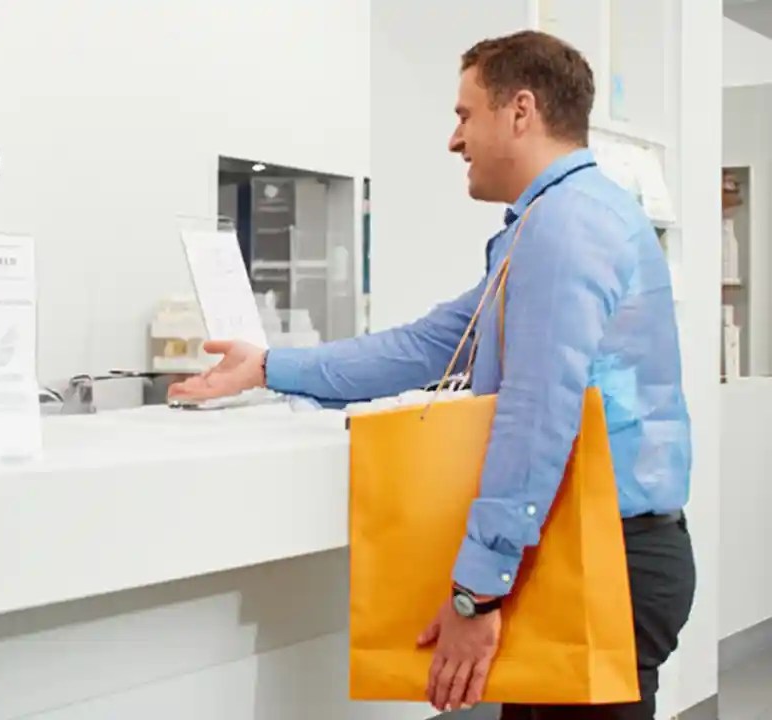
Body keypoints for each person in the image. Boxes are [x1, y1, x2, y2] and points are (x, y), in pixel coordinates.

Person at [169, 30, 694, 719]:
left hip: (608, 560)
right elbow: (429, 344)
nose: (454, 139)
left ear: (521, 111)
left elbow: (535, 417)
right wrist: (268, 365)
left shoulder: (566, 227)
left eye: (464, 114)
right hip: (591, 550)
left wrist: (477, 590)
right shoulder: (552, 223)